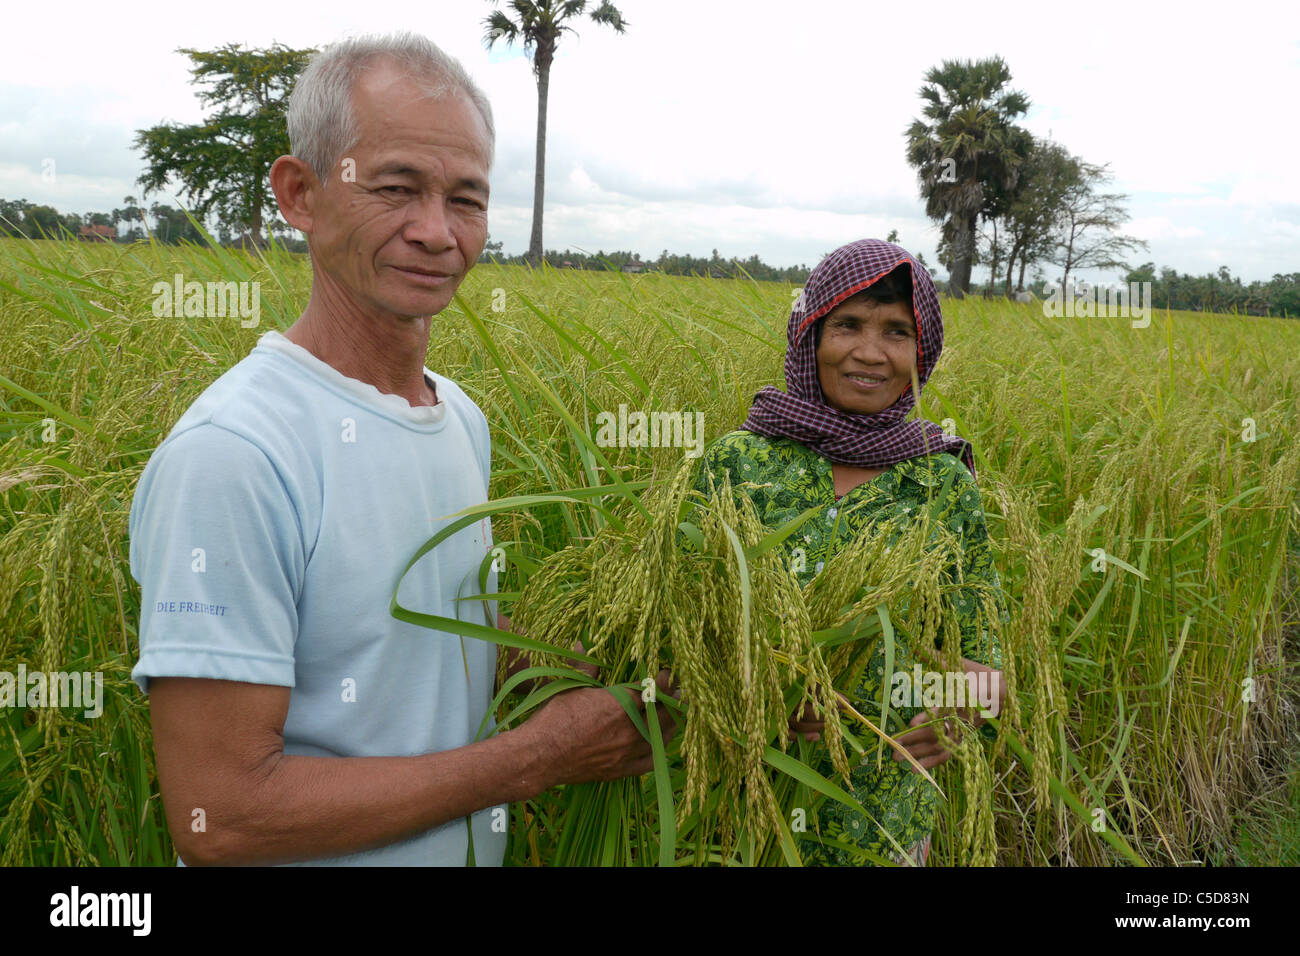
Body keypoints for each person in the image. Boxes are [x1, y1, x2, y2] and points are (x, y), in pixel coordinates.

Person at [128, 32, 670, 867]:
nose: (435, 232)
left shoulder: (459, 418)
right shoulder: (235, 455)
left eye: (466, 199)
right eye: (396, 188)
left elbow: (444, 638)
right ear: (300, 193)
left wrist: (635, 674)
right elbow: (224, 817)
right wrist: (538, 757)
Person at [693, 238, 1008, 866]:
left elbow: (985, 656)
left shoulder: (942, 481)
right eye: (848, 325)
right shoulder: (738, 461)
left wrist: (968, 701)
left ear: (922, 352)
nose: (870, 352)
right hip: (740, 803)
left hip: (881, 817)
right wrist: (758, 689)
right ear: (810, 333)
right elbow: (685, 625)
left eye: (897, 331)